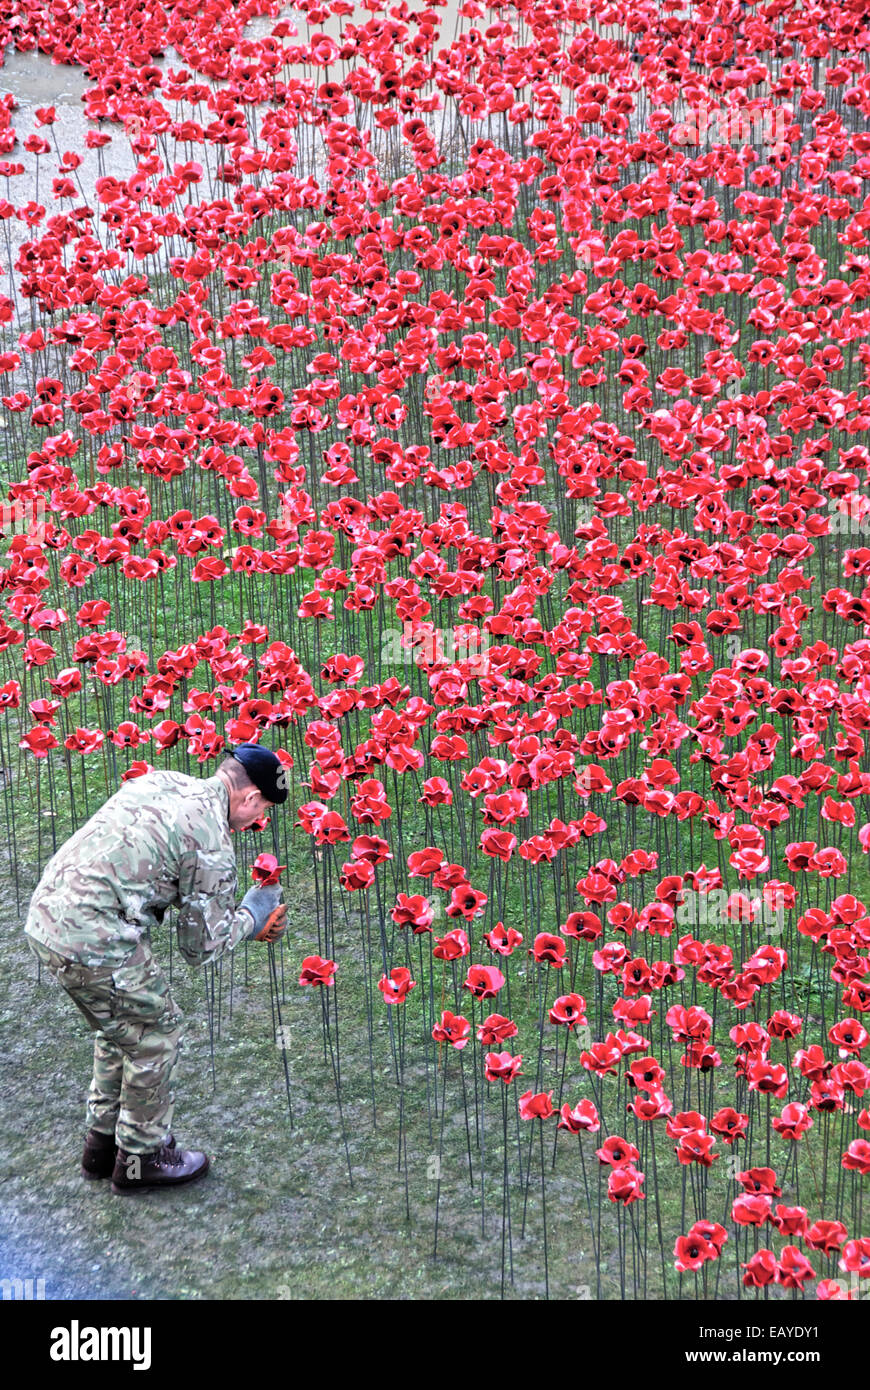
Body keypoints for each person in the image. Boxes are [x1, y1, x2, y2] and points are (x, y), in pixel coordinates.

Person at [24, 743, 289, 1195]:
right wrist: (252, 916)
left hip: (47, 916)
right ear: (248, 798)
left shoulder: (163, 780)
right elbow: (200, 947)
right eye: (262, 806)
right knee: (157, 1034)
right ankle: (140, 1160)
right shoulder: (211, 843)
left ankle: (101, 1146)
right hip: (93, 938)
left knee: (123, 1029)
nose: (257, 817)